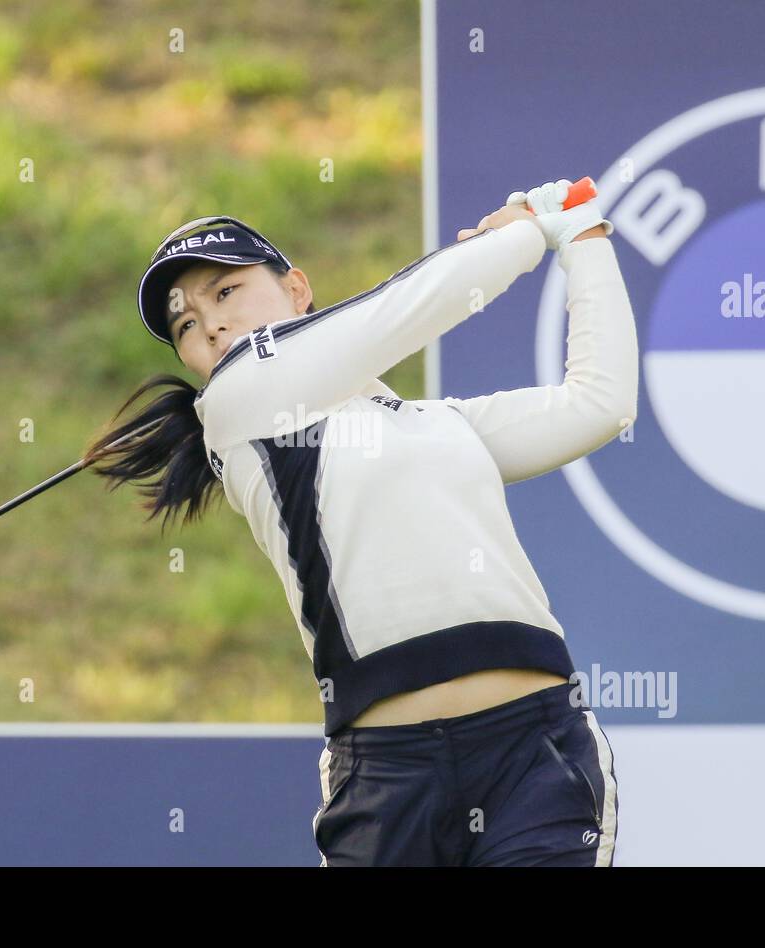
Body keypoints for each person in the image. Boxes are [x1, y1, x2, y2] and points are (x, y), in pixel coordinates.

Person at [86, 177, 638, 866]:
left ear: (297, 290)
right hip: (387, 774)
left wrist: (582, 236)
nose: (212, 326)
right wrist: (530, 226)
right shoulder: (237, 404)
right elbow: (411, 307)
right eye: (186, 326)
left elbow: (599, 403)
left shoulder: (440, 425)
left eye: (225, 293)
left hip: (535, 755)